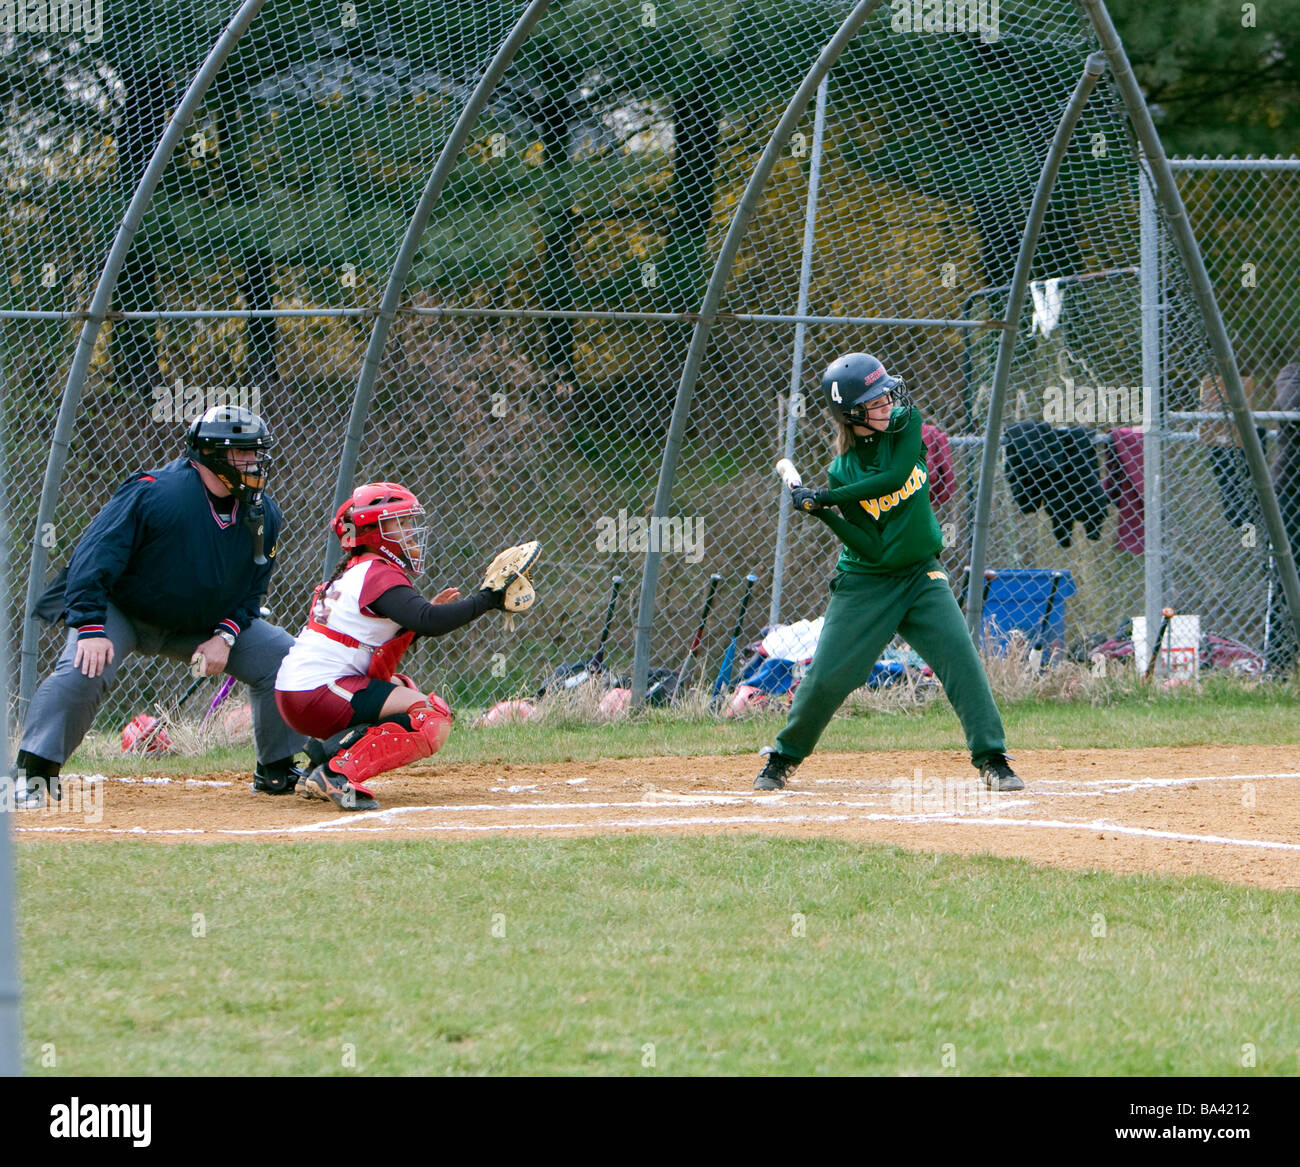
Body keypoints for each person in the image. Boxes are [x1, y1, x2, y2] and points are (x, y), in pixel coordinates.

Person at [754, 352, 1023, 793]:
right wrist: (825, 511)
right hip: (866, 581)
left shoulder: (906, 424)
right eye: (875, 402)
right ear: (852, 413)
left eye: (886, 396)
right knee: (829, 676)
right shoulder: (842, 472)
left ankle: (993, 758)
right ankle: (783, 757)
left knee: (961, 660)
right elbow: (870, 546)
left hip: (921, 574)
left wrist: (822, 498)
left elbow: (897, 477)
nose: (888, 405)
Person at [14, 405, 307, 807]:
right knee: (83, 669)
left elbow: (253, 591)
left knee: (285, 658)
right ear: (211, 454)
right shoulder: (156, 491)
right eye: (243, 453)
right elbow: (91, 558)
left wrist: (226, 634)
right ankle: (34, 774)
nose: (254, 463)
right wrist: (90, 626)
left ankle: (276, 768)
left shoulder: (263, 513)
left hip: (201, 623)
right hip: (125, 611)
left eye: (255, 453)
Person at [275, 482, 536, 811]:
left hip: (302, 692)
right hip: (316, 693)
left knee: (402, 688)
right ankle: (336, 772)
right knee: (431, 718)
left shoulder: (357, 572)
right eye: (400, 523)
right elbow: (429, 620)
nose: (411, 532)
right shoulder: (377, 574)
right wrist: (488, 599)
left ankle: (321, 761)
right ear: (373, 531)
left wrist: (426, 617)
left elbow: (398, 630)